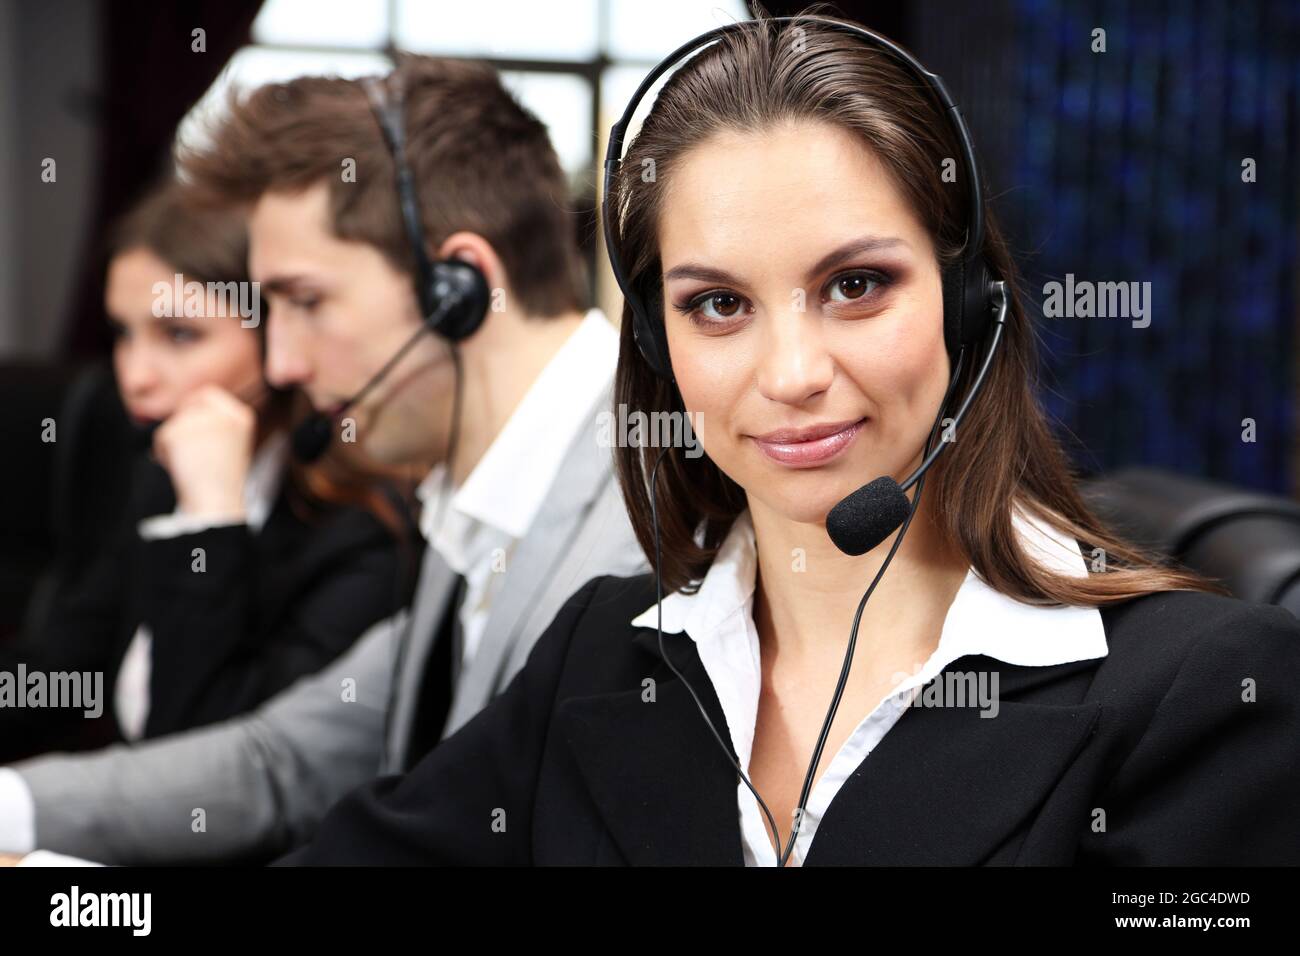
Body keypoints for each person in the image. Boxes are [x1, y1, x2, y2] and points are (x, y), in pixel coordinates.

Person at [278, 13, 1300, 866]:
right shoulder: (602, 652)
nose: (790, 373)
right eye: (718, 303)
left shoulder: (1201, 694)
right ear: (656, 340)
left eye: (855, 285)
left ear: (970, 303)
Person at [0, 55, 645, 865]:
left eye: (307, 302)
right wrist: (13, 811)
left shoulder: (648, 524)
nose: (282, 367)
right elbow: (282, 760)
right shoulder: (474, 505)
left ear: (462, 288)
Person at [0, 178, 412, 765]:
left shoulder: (362, 529)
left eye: (179, 334)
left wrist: (211, 520)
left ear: (277, 334)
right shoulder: (158, 475)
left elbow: (211, 770)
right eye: (123, 333)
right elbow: (60, 673)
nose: (135, 376)